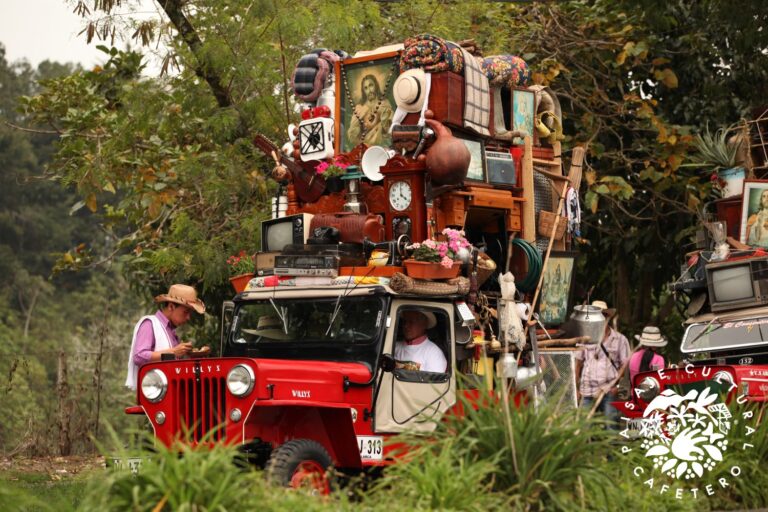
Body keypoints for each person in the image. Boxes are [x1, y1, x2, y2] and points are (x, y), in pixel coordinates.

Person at [125, 284, 206, 390]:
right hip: (154, 395)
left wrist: (191, 355)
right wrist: (173, 352)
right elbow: (139, 356)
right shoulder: (150, 324)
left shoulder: (170, 331)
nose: (188, 317)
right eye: (185, 312)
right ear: (171, 306)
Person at [574, 300, 630, 426]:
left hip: (608, 389)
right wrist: (576, 389)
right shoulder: (584, 338)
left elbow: (624, 367)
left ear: (608, 317)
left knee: (611, 427)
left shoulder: (620, 339)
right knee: (583, 428)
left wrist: (616, 387)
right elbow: (577, 364)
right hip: (586, 389)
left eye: (603, 315)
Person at [346, 74, 393, 147]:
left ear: (376, 86)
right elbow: (351, 136)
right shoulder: (360, 108)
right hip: (366, 148)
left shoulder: (384, 104)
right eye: (366, 88)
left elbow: (390, 130)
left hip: (382, 147)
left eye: (371, 85)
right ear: (363, 91)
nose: (369, 90)